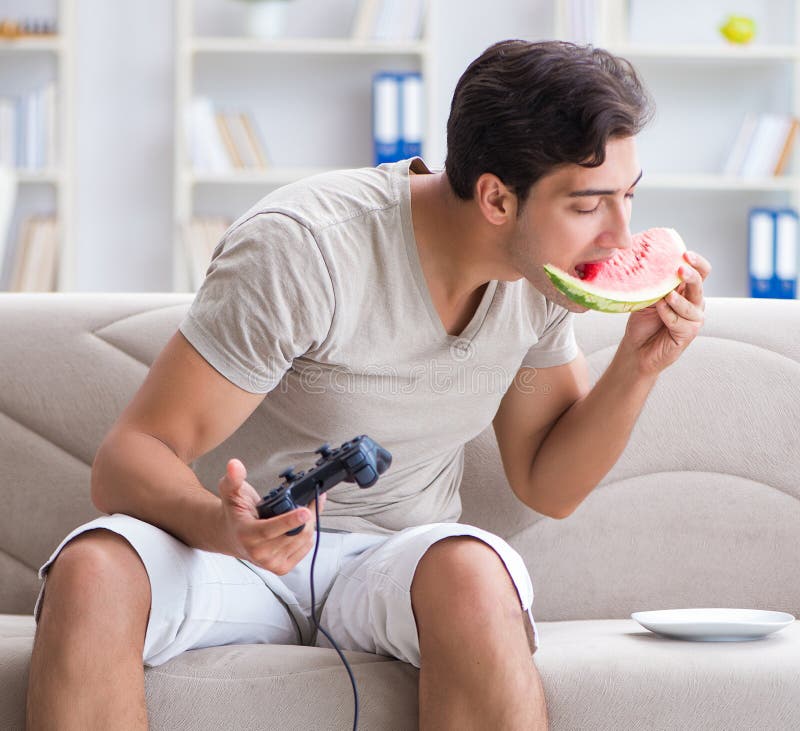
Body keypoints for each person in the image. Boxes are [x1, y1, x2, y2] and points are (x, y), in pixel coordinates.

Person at [26, 39, 709, 730]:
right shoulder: (305, 249)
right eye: (590, 204)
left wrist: (638, 366)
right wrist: (222, 525)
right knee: (91, 571)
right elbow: (129, 455)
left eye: (629, 195)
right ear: (497, 198)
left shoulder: (536, 280)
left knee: (473, 574)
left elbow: (546, 483)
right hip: (232, 552)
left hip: (394, 562)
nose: (622, 236)